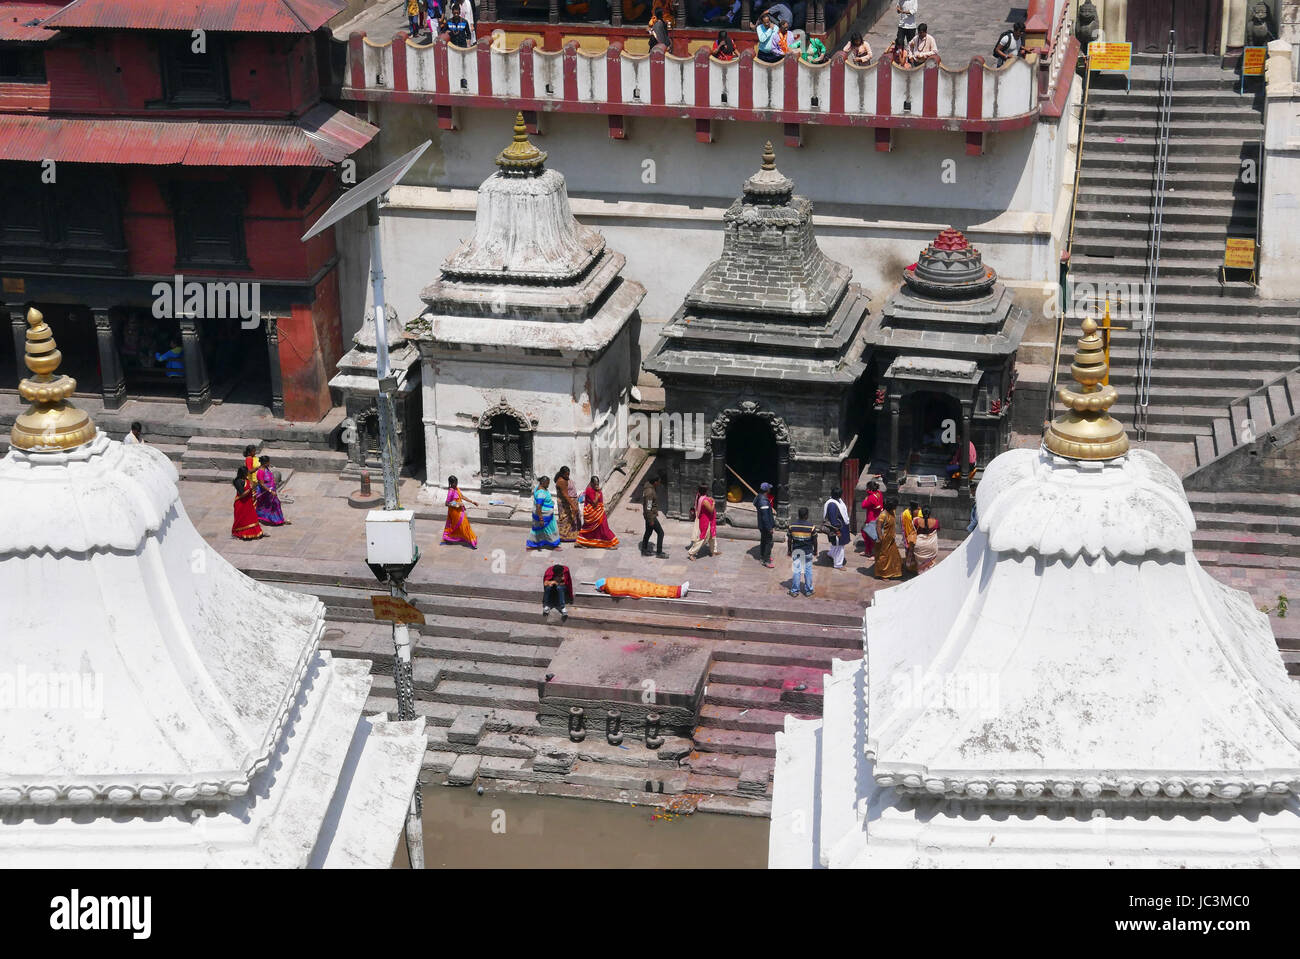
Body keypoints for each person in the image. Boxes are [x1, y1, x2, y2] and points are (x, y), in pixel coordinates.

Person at [576, 475, 619, 548]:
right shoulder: (590, 490)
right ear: (591, 483)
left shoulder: (594, 489)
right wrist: (597, 492)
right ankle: (608, 543)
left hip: (599, 511)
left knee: (598, 528)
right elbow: (595, 503)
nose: (597, 486)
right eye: (595, 484)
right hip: (593, 512)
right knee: (602, 527)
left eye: (597, 484)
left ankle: (584, 541)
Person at [787, 506, 819, 597]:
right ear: (807, 516)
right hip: (808, 552)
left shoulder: (792, 526)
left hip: (797, 551)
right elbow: (815, 541)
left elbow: (789, 540)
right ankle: (809, 590)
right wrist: (815, 551)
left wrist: (789, 550)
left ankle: (794, 591)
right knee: (808, 571)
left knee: (797, 571)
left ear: (799, 515)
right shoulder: (811, 527)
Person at [442, 474, 478, 548]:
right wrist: (457, 504)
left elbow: (462, 496)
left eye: (457, 483)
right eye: (455, 483)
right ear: (451, 483)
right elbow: (447, 503)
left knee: (465, 525)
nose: (456, 484)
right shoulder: (450, 491)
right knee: (463, 525)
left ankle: (470, 540)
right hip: (455, 512)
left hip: (460, 511)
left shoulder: (456, 489)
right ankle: (471, 541)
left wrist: (472, 501)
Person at [527, 475, 562, 550]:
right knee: (551, 529)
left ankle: (534, 544)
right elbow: (539, 506)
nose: (548, 485)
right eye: (547, 483)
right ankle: (554, 544)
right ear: (543, 483)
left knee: (538, 530)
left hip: (546, 515)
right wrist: (541, 519)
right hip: (543, 516)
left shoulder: (538, 488)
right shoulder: (541, 493)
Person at [231, 466, 266, 540]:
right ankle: (240, 533)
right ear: (243, 474)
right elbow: (242, 494)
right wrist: (251, 488)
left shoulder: (245, 478)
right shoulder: (238, 482)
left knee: (252, 518)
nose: (247, 473)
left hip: (248, 502)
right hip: (242, 503)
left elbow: (250, 471)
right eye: (246, 472)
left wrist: (257, 468)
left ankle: (257, 532)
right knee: (242, 519)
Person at [687, 484, 720, 560]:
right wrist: (714, 503)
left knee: (712, 535)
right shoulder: (704, 501)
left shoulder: (701, 498)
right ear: (706, 491)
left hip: (707, 520)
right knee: (703, 537)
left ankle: (713, 551)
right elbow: (711, 510)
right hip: (706, 521)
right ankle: (691, 552)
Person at [255, 455, 289, 527]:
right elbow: (262, 484)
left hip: (270, 493)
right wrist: (270, 491)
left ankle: (278, 520)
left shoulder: (266, 468)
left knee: (274, 505)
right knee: (273, 504)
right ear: (264, 463)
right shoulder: (261, 472)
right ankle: (274, 520)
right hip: (265, 493)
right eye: (268, 462)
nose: (269, 463)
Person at [874, 499, 903, 579]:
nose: (896, 507)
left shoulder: (892, 511)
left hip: (891, 538)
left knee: (893, 555)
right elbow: (878, 527)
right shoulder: (883, 515)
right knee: (884, 556)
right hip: (884, 539)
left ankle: (893, 571)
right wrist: (880, 538)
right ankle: (883, 574)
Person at [823, 487, 850, 570]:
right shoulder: (832, 505)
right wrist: (837, 531)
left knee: (836, 544)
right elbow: (833, 520)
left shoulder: (837, 501)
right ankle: (838, 564)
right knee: (839, 546)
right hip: (837, 529)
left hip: (841, 527)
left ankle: (831, 554)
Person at [640, 473, 666, 557]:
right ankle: (659, 552)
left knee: (648, 532)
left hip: (648, 515)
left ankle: (644, 550)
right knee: (661, 533)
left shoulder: (648, 486)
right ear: (654, 482)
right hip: (650, 516)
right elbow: (648, 507)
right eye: (658, 482)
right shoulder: (650, 493)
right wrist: (651, 520)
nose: (659, 483)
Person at [554, 466, 580, 542]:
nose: (568, 476)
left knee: (573, 519)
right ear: (562, 474)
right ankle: (563, 536)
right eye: (566, 475)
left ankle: (572, 535)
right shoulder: (561, 481)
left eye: (569, 474)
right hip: (566, 503)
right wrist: (573, 505)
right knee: (566, 519)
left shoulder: (565, 479)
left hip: (571, 501)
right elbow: (565, 495)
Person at [860, 480, 883, 554]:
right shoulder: (879, 493)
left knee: (868, 534)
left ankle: (871, 552)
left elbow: (863, 505)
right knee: (871, 534)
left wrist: (866, 498)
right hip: (877, 517)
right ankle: (869, 551)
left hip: (871, 518)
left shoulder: (871, 497)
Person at [755, 481, 776, 568]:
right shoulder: (763, 501)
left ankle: (763, 556)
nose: (770, 489)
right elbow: (765, 517)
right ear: (767, 490)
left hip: (761, 525)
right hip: (765, 525)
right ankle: (766, 560)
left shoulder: (759, 497)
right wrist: (769, 528)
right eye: (769, 488)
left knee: (763, 540)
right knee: (768, 542)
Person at [901, 500, 923, 571]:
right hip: (917, 536)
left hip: (908, 536)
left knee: (909, 552)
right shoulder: (920, 512)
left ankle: (909, 567)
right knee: (916, 552)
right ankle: (916, 567)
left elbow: (902, 527)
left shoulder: (905, 513)